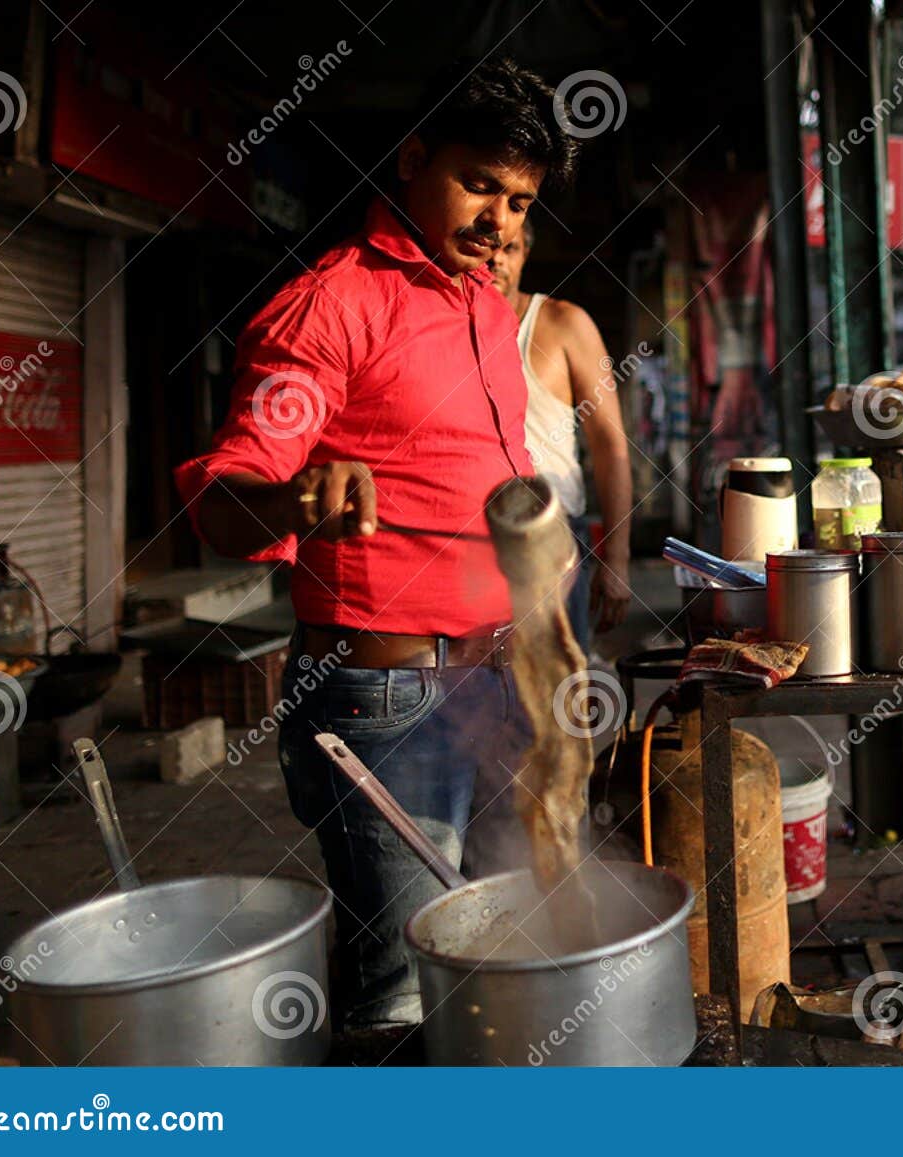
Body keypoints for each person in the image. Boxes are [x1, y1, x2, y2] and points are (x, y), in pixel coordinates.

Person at [174, 58, 578, 1030]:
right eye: (479, 184)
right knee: (399, 987)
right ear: (413, 160)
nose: (499, 221)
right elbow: (223, 501)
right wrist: (298, 496)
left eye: (519, 201)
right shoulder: (330, 309)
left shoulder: (483, 302)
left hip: (494, 680)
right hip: (384, 703)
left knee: (498, 952)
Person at [487, 219, 632, 651]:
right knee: (476, 701)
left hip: (554, 538)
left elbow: (610, 445)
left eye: (509, 249)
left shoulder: (565, 324)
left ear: (525, 254)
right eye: (489, 248)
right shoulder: (444, 329)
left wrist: (618, 559)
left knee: (559, 694)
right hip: (471, 542)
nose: (496, 259)